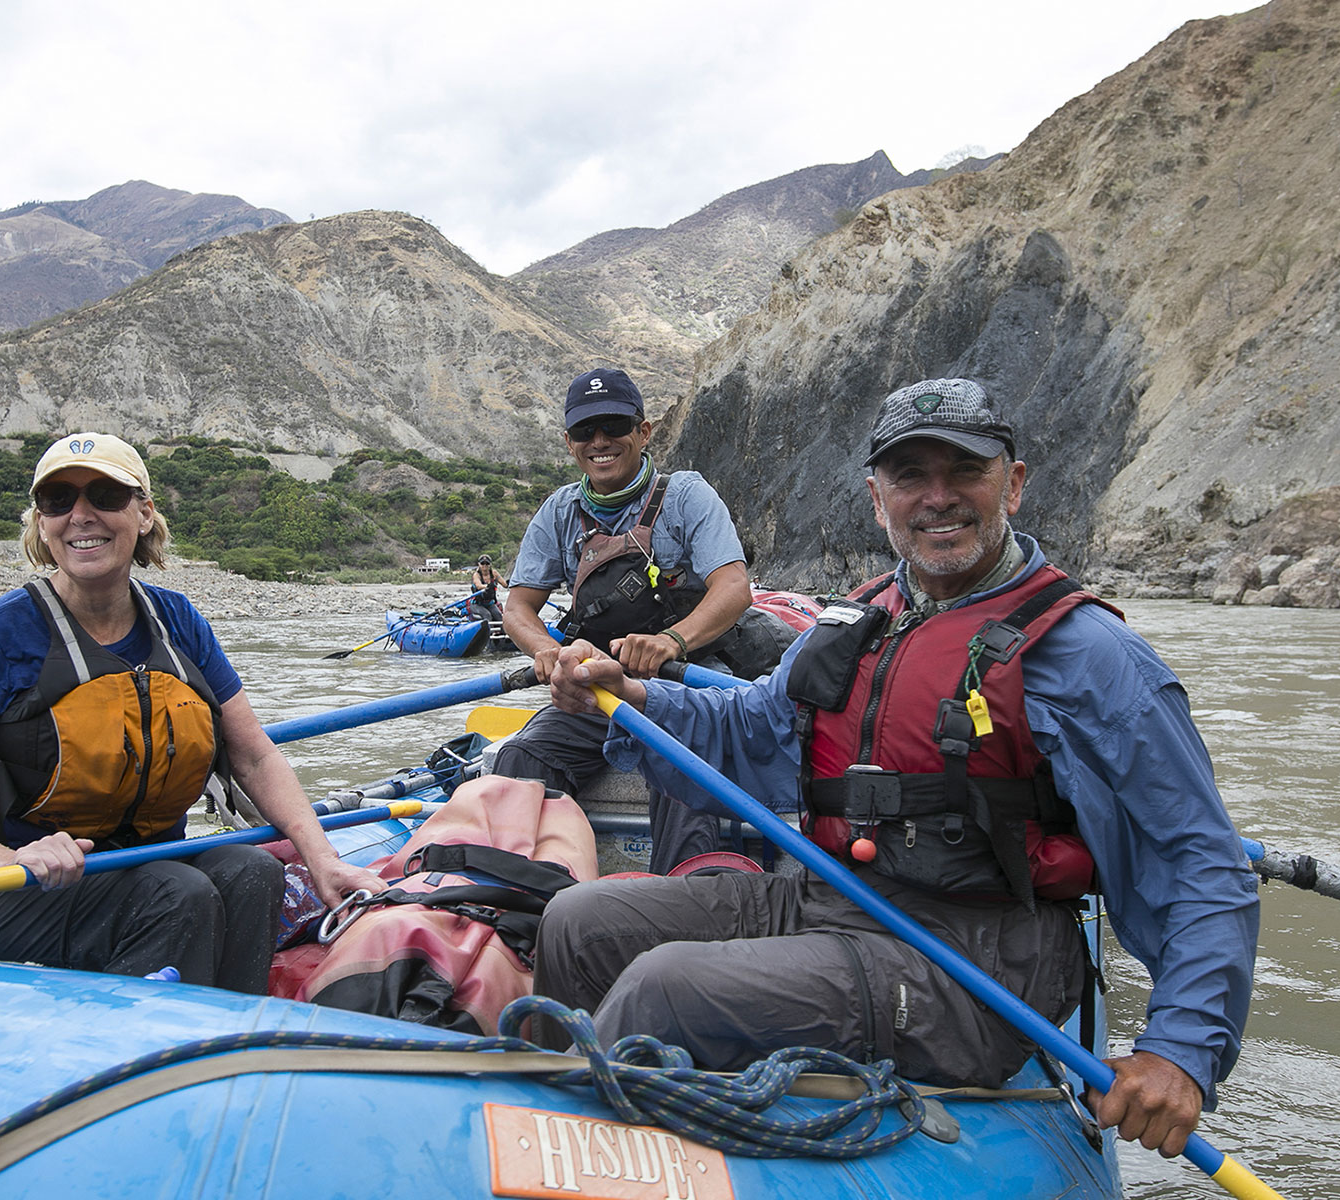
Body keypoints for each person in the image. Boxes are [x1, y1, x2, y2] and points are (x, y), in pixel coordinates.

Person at [533, 378, 1260, 1159]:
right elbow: (754, 730)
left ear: (1012, 484)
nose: (938, 497)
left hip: (978, 963)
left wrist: (1180, 1049)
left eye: (965, 471)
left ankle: (592, 1152)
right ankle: (540, 1125)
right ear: (878, 500)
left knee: (666, 987)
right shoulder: (856, 620)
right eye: (912, 476)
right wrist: (632, 697)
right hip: (832, 898)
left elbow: (1197, 859)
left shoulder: (1091, 657)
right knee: (579, 922)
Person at [0, 432, 386, 992]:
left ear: (144, 512)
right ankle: (148, 1038)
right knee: (177, 893)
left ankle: (230, 1028)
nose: (81, 515)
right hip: (1, 887)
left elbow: (253, 756)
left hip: (144, 866)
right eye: (58, 501)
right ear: (41, 522)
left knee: (253, 870)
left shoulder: (178, 620)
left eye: (105, 496)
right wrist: (12, 861)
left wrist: (322, 858)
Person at [492, 367, 753, 873]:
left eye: (614, 426)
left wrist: (671, 640)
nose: (599, 442)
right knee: (520, 757)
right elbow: (518, 607)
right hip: (599, 693)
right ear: (569, 442)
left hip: (686, 685)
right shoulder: (559, 511)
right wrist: (547, 651)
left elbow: (734, 588)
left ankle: (682, 895)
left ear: (644, 431)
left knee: (681, 758)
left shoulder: (687, 495)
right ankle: (526, 893)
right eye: (584, 431)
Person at [467, 554, 507, 624]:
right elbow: (478, 586)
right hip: (477, 604)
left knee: (499, 616)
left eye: (487, 563)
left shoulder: (494, 573)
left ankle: (502, 630)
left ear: (490, 564)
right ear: (479, 564)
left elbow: (505, 585)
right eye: (482, 563)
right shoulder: (476, 575)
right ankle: (488, 631)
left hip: (490, 603)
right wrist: (488, 586)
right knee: (487, 615)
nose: (485, 565)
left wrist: (511, 583)